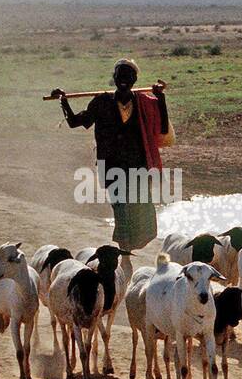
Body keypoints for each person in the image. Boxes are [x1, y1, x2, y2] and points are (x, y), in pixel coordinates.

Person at [51, 59, 174, 250]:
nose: (124, 80)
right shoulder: (101, 102)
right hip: (112, 165)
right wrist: (63, 101)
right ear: (114, 79)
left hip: (138, 165)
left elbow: (163, 128)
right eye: (120, 76)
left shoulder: (145, 103)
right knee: (121, 209)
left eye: (128, 77)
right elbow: (75, 122)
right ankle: (125, 251)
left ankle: (132, 248)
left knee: (141, 208)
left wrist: (161, 99)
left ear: (134, 80)